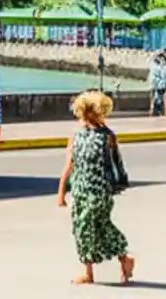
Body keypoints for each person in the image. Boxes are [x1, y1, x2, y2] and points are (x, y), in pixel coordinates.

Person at [57, 90, 135, 285]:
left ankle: (118, 259)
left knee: (88, 227)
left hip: (99, 190)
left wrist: (118, 184)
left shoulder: (107, 135)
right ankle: (101, 266)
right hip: (80, 190)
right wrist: (62, 192)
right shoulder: (76, 134)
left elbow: (117, 163)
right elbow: (69, 163)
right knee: (88, 228)